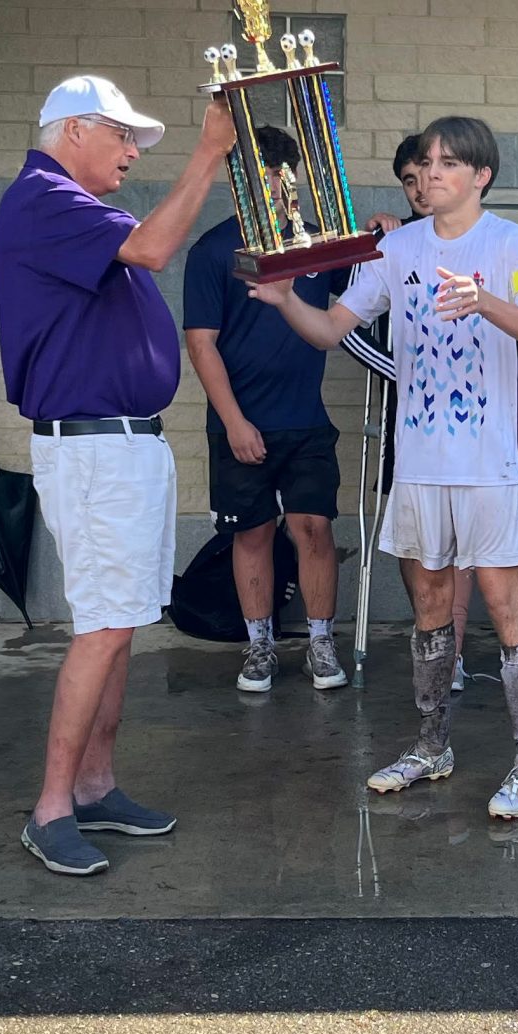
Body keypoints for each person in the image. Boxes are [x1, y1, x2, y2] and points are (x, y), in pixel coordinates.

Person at [251, 116, 518, 820]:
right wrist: (285, 300)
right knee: (427, 609)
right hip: (418, 460)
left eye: (449, 163)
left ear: (481, 176)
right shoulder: (394, 247)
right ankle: (431, 747)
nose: (433, 173)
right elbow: (334, 329)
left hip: (490, 462)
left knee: (505, 607)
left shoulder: (514, 243)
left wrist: (484, 300)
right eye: (427, 161)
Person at [0, 74, 233, 876]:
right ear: (72, 131)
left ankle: (95, 785)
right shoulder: (42, 197)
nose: (133, 151)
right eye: (122, 135)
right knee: (102, 627)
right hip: (94, 449)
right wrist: (208, 153)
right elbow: (156, 247)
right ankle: (52, 807)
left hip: (122, 446)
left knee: (121, 621)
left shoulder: (72, 207)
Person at [181, 183, 353, 695]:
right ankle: (260, 646)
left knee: (314, 528)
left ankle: (320, 643)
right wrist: (234, 421)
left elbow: (370, 274)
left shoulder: (313, 243)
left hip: (305, 419)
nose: (281, 196)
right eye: (267, 183)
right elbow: (200, 343)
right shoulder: (213, 250)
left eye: (288, 184)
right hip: (241, 423)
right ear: (244, 185)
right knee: (252, 533)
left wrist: (388, 226)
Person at [348, 137, 478, 687]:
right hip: (412, 413)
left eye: (432, 169)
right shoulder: (390, 243)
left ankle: (457, 651)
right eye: (409, 178)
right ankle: (431, 636)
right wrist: (408, 370)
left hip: (471, 417)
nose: (423, 185)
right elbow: (349, 331)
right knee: (414, 536)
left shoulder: (480, 237)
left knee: (465, 538)